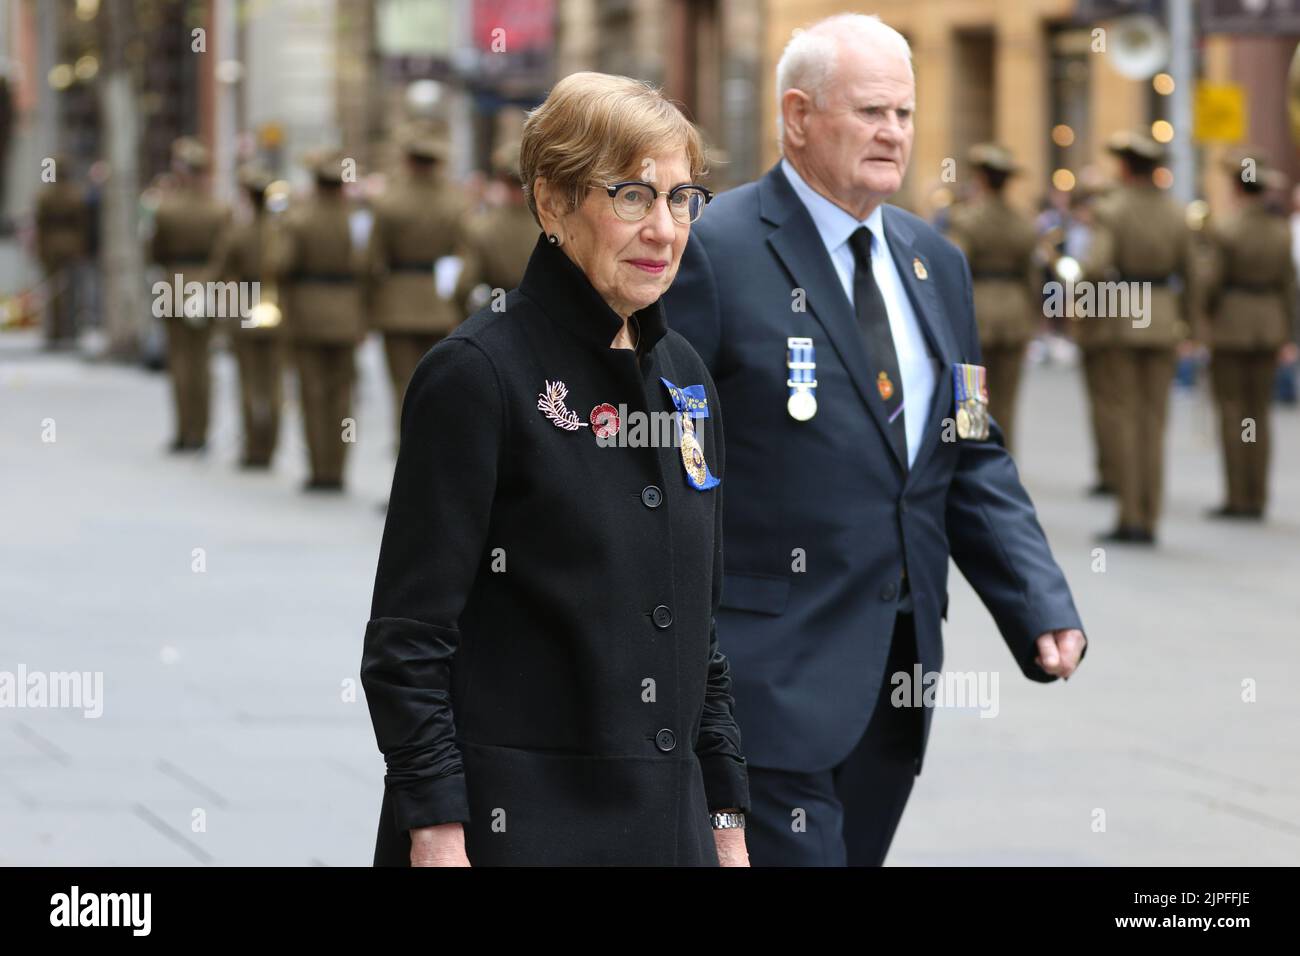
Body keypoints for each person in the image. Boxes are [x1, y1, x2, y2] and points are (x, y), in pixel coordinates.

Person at [662, 14, 1085, 867]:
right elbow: (668, 464)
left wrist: (1036, 599)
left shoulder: (936, 262)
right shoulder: (716, 249)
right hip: (763, 675)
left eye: (903, 112)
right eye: (869, 112)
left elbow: (967, 446)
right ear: (798, 115)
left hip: (897, 670)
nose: (893, 132)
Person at [360, 71, 750, 867]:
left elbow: (698, 636)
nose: (665, 229)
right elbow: (408, 641)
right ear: (552, 203)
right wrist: (434, 828)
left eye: (682, 199)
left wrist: (726, 816)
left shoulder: (685, 378)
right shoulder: (477, 374)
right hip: (518, 828)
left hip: (668, 831)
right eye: (632, 196)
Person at [1083, 131, 1194, 545]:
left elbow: (1096, 266)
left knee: (1126, 420)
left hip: (1124, 317)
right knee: (1155, 422)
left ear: (1126, 168)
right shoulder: (1176, 212)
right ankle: (1151, 516)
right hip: (1164, 318)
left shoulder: (1112, 209)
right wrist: (1193, 327)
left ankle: (1130, 515)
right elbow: (1192, 273)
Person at [1204, 153, 1296, 520]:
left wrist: (1204, 318)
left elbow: (1211, 283)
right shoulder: (1280, 230)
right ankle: (1258, 494)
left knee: (1233, 412)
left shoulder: (1227, 229)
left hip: (1233, 325)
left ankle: (1237, 495)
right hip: (1269, 325)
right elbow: (1290, 287)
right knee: (1258, 415)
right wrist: (1289, 334)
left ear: (1237, 187)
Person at [273, 150, 367, 492]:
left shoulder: (299, 219)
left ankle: (318, 469)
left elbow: (282, 265)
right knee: (342, 395)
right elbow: (368, 266)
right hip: (347, 314)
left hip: (307, 315)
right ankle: (338, 470)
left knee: (312, 394)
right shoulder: (355, 220)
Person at [367, 134, 465, 432]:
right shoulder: (457, 203)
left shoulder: (388, 202)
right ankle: (435, 441)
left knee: (402, 384)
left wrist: (371, 302)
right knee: (439, 383)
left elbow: (370, 262)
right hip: (440, 302)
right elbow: (465, 258)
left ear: (407, 160)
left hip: (396, 302)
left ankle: (406, 443)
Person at [946, 144, 1039, 451]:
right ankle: (1004, 458)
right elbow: (1033, 276)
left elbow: (955, 267)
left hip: (978, 311)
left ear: (981, 179)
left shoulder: (966, 219)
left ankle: (975, 460)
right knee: (1007, 398)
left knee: (973, 394)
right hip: (1015, 311)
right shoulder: (1022, 220)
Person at [148, 137, 230, 452]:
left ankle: (183, 431)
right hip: (208, 286)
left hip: (174, 283)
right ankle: (202, 431)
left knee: (180, 361)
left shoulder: (165, 209)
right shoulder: (220, 210)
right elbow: (226, 254)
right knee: (203, 362)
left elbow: (155, 251)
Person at [208, 165, 284, 469]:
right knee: (275, 382)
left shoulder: (237, 232)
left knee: (249, 381)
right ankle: (271, 447)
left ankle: (253, 448)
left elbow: (220, 271)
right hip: (276, 305)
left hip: (245, 304)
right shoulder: (282, 231)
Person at [452, 139, 537, 317]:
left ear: (502, 178)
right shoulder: (554, 224)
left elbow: (463, 287)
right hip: (543, 314)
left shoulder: (481, 226)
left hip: (500, 308)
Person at [34, 153, 89, 348]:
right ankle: (70, 331)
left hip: (51, 244)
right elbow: (82, 225)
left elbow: (39, 224)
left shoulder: (44, 195)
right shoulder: (76, 195)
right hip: (71, 244)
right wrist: (82, 247)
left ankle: (54, 332)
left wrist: (39, 248)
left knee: (53, 290)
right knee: (71, 290)